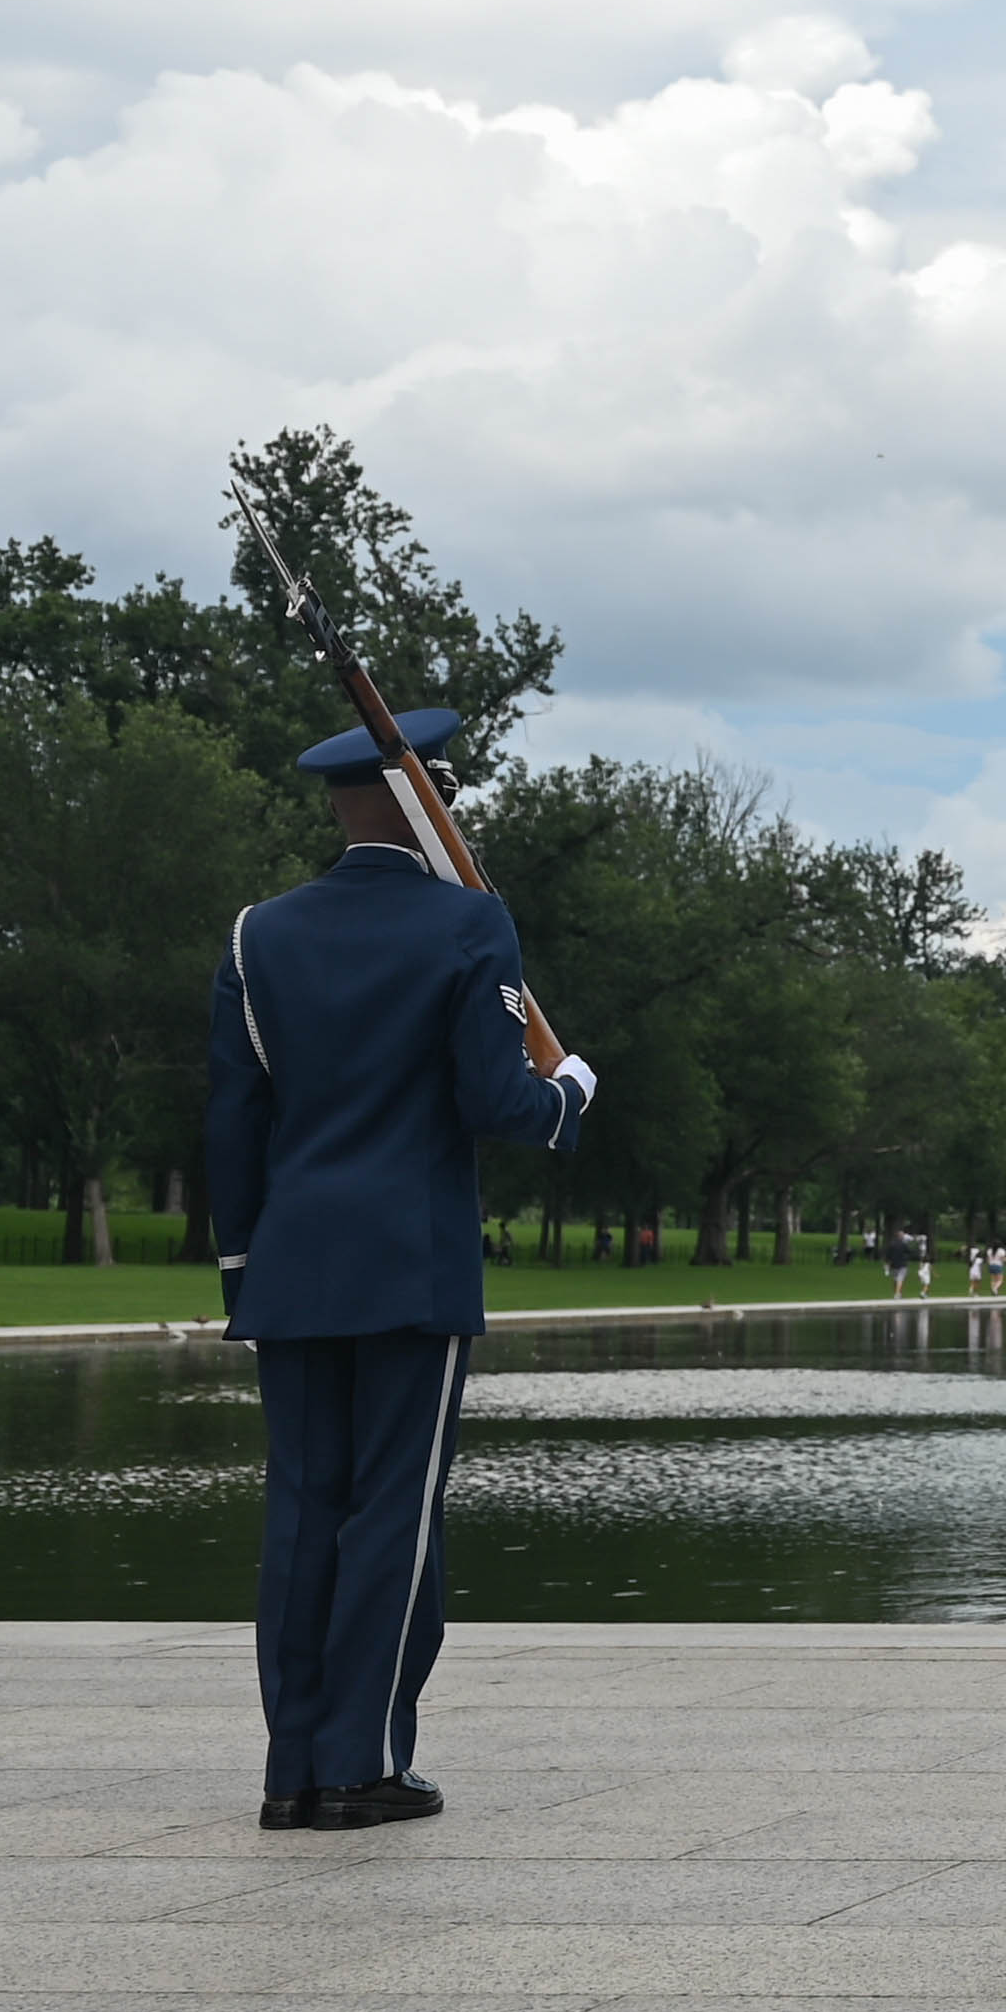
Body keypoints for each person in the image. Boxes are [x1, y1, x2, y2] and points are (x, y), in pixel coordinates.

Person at [207, 706, 596, 1832]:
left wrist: (242, 1266)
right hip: (410, 1265)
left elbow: (235, 1121)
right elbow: (494, 1099)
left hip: (290, 1265)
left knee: (302, 1514)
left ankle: (292, 1769)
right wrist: (569, 1095)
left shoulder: (257, 935)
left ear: (341, 807)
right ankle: (362, 1762)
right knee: (393, 1513)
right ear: (425, 802)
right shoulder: (471, 923)